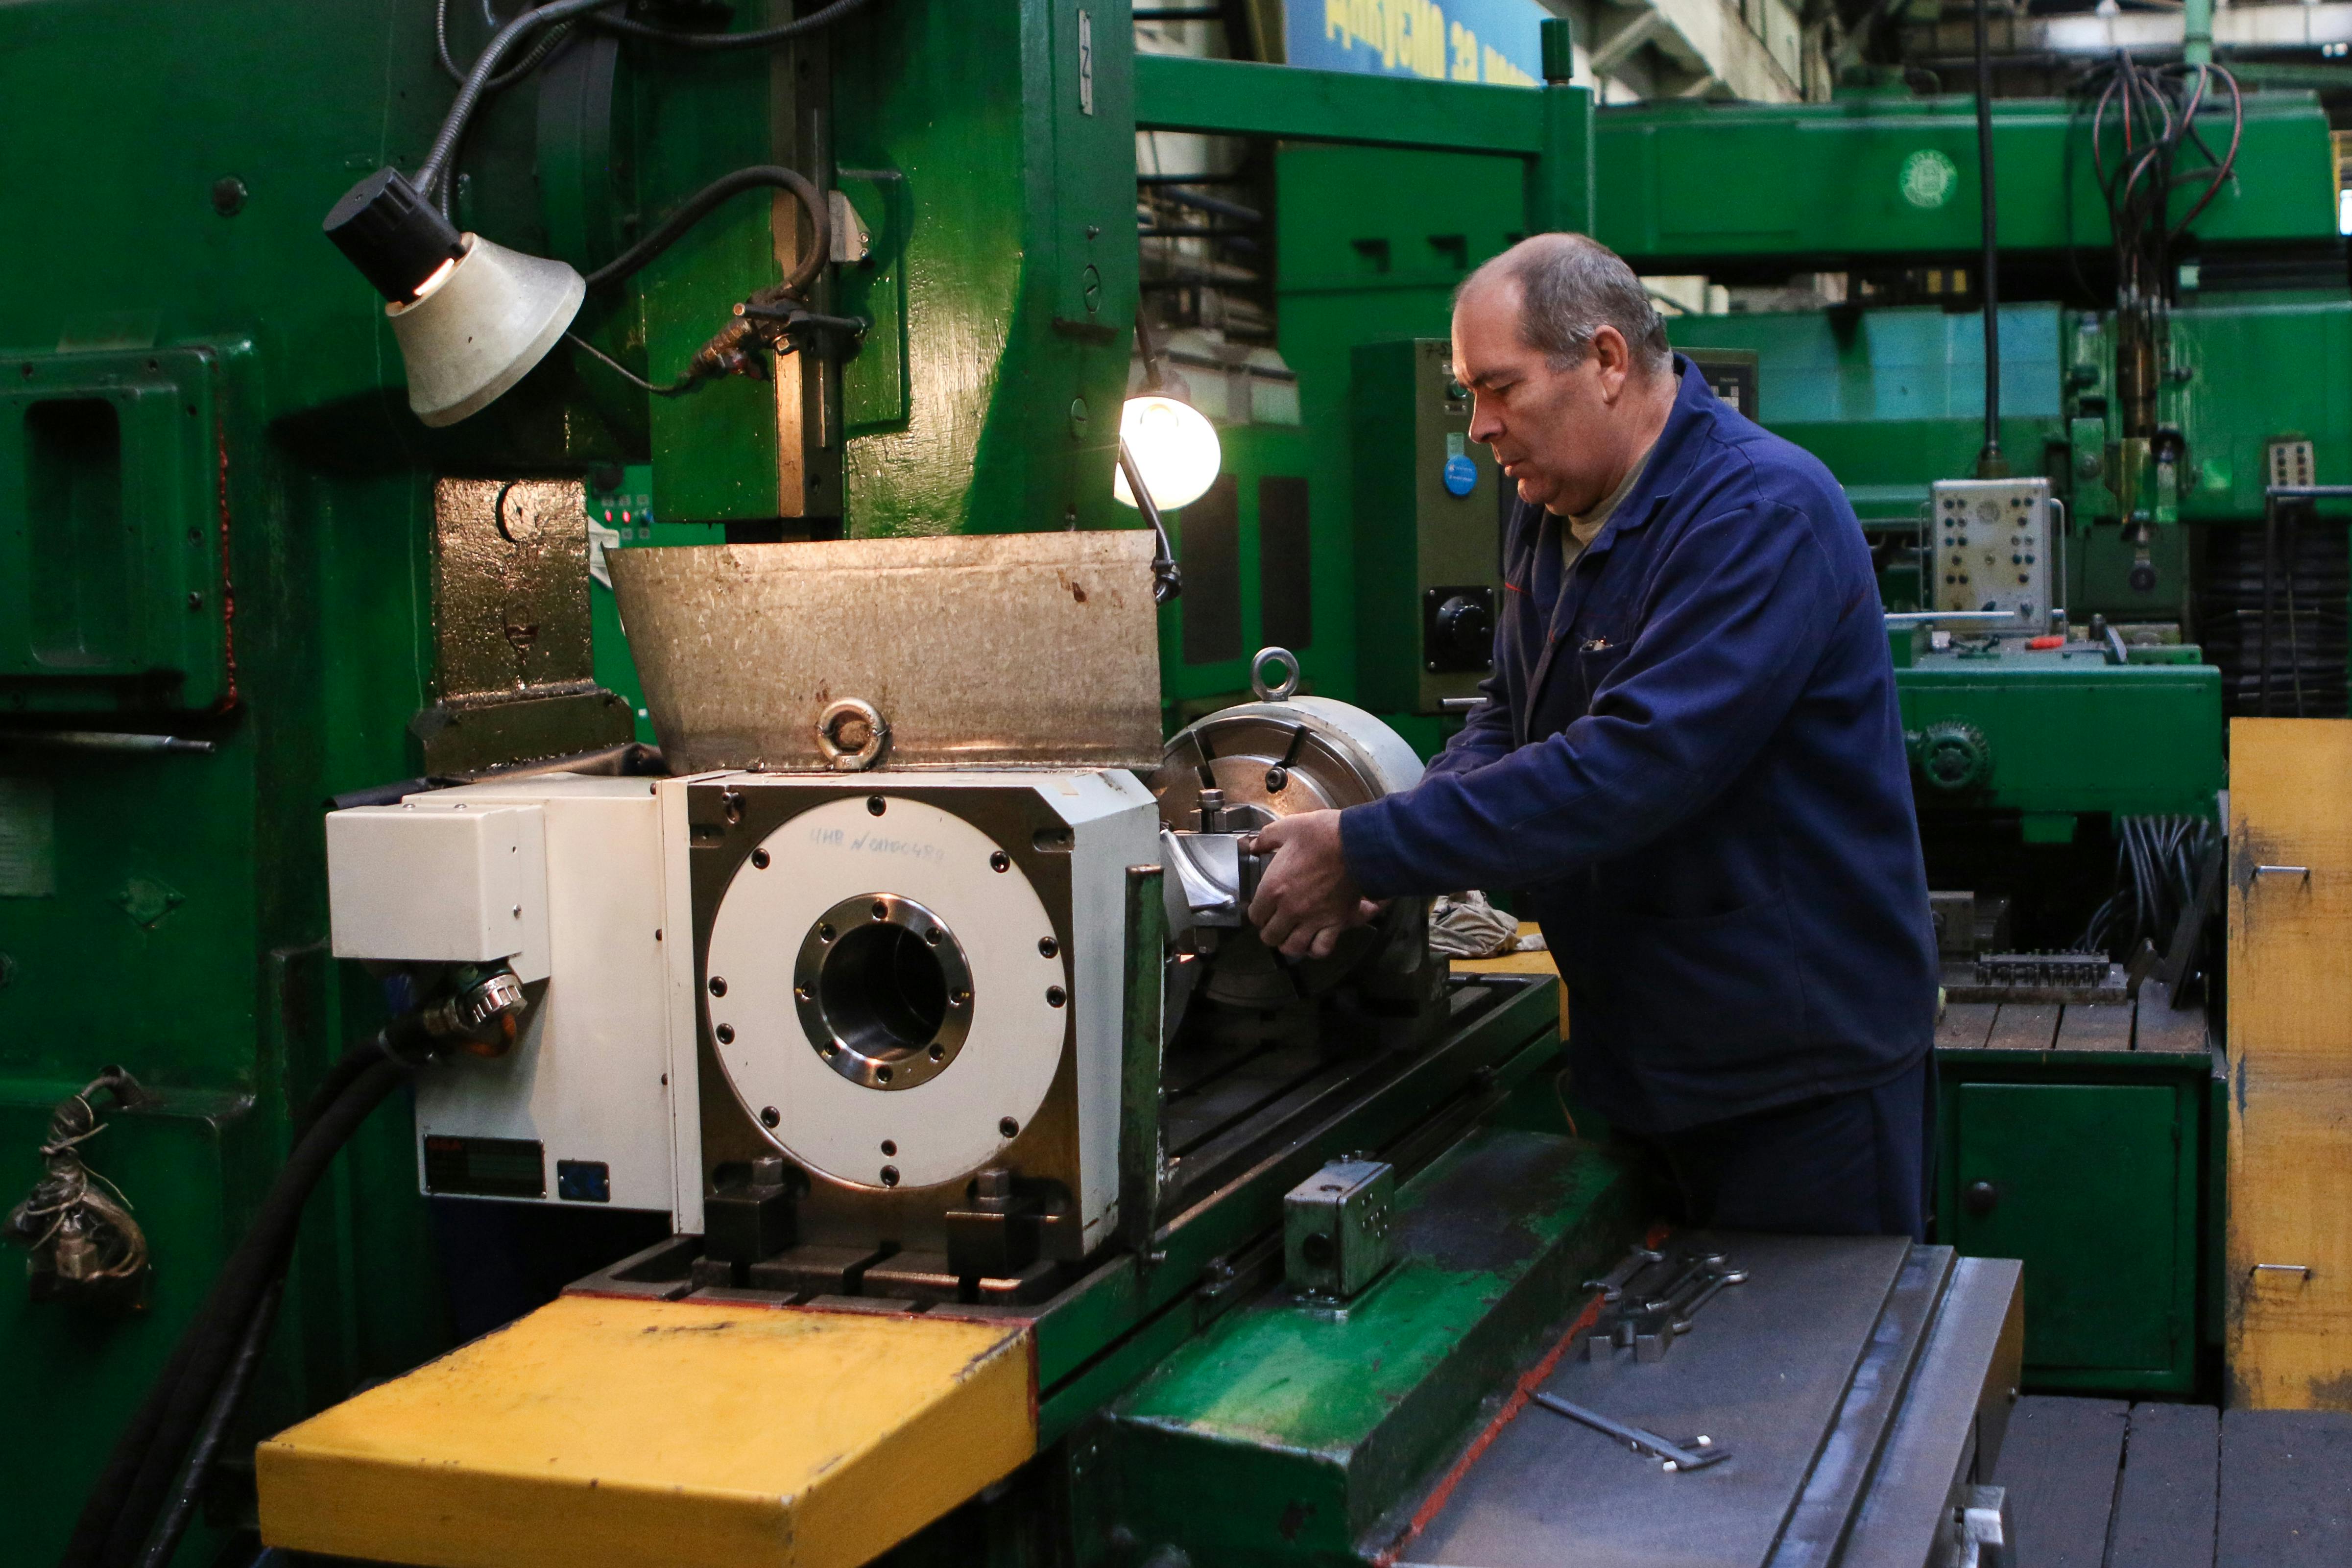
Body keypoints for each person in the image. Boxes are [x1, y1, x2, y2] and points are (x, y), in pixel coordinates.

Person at [1243, 234, 1939, 1240]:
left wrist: (1369, 847)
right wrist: (1398, 840)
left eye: (1500, 388)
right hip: (1646, 1050)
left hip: (1793, 1073)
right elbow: (1509, 710)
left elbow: (1633, 767)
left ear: (1607, 360)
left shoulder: (1758, 511)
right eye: (1467, 394)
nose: (1479, 426)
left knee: (1805, 1336)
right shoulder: (1553, 505)